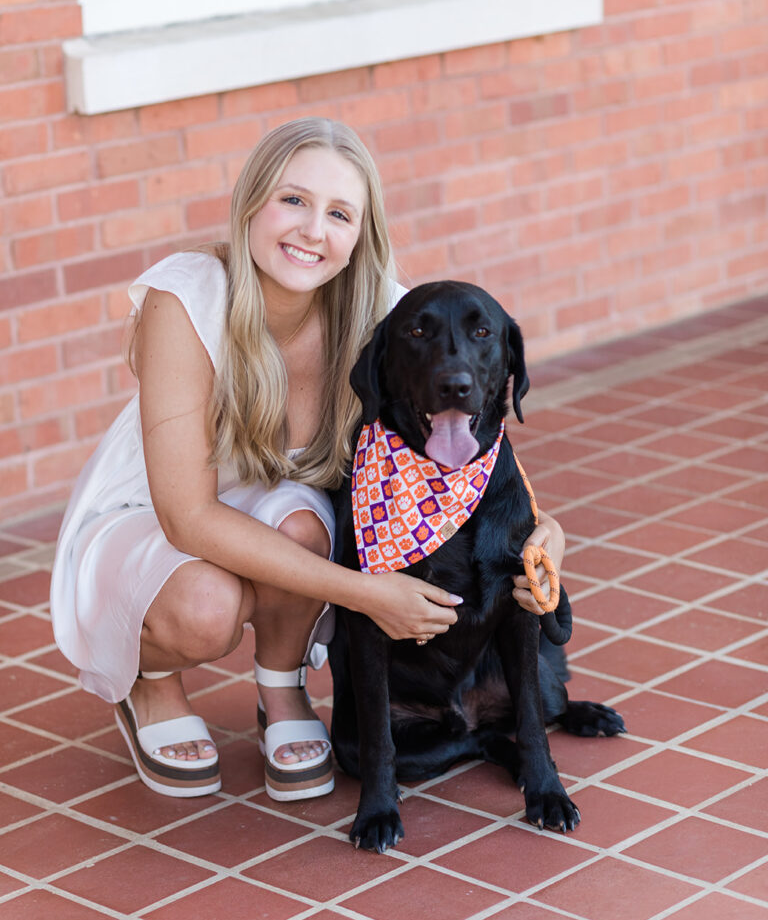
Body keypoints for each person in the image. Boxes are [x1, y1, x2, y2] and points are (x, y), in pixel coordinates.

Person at [51, 117, 564, 802]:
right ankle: (151, 685)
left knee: (306, 520)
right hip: (152, 516)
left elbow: (467, 448)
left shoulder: (384, 314)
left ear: (360, 234)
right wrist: (363, 593)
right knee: (209, 605)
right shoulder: (188, 296)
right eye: (293, 200)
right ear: (252, 201)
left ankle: (281, 687)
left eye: (338, 213)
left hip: (276, 519)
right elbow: (187, 516)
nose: (312, 230)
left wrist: (544, 529)